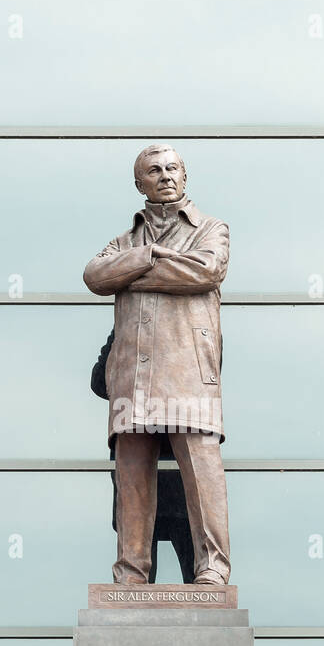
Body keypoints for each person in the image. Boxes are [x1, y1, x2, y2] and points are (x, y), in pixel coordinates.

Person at [83, 144, 231, 586]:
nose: (165, 175)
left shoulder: (211, 228)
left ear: (184, 177)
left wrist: (127, 273)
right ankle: (130, 573)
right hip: (133, 379)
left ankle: (213, 567)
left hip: (188, 374)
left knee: (203, 472)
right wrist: (150, 256)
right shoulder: (126, 241)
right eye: (154, 170)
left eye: (172, 168)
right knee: (131, 477)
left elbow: (206, 271)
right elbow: (95, 276)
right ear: (139, 183)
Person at [91, 328, 196, 584]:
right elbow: (99, 381)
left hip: (176, 468)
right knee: (136, 578)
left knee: (195, 576)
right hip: (139, 462)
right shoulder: (127, 327)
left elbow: (201, 379)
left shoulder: (188, 325)